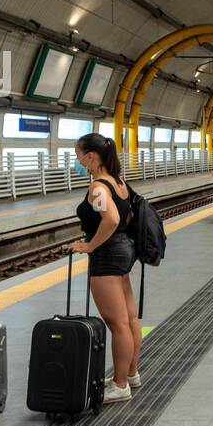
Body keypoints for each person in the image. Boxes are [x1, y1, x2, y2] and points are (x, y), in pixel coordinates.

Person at [66, 134, 140, 403]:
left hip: (108, 255)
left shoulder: (98, 187)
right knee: (130, 319)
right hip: (124, 250)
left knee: (117, 323)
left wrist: (90, 246)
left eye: (78, 155)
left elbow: (111, 219)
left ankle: (120, 385)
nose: (77, 160)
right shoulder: (119, 182)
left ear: (91, 157)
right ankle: (131, 373)